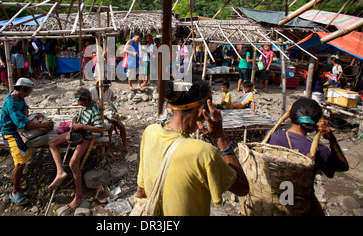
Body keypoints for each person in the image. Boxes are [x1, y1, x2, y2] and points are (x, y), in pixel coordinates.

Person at [135, 79, 249, 215]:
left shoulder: (150, 132)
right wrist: (221, 138)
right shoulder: (203, 153)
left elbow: (141, 191)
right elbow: (243, 189)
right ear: (202, 111)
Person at [266, 97, 349, 215]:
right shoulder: (318, 151)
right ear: (316, 123)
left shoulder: (273, 135)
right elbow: (343, 166)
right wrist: (332, 139)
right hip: (300, 204)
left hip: (273, 197)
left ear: (290, 117)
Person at [47, 87, 104, 211]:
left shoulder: (94, 109)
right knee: (52, 143)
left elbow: (100, 129)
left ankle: (79, 196)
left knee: (73, 164)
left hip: (85, 138)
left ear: (87, 100)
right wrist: (74, 123)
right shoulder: (84, 106)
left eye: (80, 101)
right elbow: (77, 116)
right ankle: (60, 172)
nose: (78, 103)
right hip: (76, 133)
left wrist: (82, 126)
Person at [0, 78, 54, 206]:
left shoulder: (19, 97)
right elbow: (22, 124)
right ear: (22, 89)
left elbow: (25, 109)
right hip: (11, 132)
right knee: (19, 162)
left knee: (24, 157)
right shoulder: (11, 103)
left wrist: (33, 120)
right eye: (27, 92)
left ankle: (18, 185)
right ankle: (15, 191)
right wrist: (42, 126)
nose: (27, 95)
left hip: (19, 129)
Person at [89, 80, 132, 156]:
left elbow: (114, 96)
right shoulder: (92, 90)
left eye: (107, 87)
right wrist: (96, 102)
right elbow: (88, 101)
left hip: (109, 110)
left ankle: (125, 146)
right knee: (110, 126)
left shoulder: (109, 90)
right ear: (99, 86)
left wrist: (109, 102)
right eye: (105, 87)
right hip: (98, 111)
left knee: (121, 126)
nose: (106, 89)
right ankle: (107, 148)